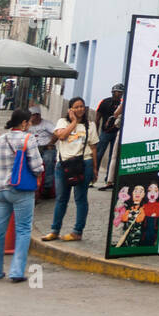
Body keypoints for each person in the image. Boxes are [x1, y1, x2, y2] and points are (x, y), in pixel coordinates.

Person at [0, 109, 43, 283]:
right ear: (24, 123)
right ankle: (16, 272)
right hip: (21, 190)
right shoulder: (28, 139)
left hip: (0, 190)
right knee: (23, 229)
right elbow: (37, 167)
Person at [41, 97, 98, 242]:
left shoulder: (90, 125)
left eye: (82, 106)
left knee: (80, 198)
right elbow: (61, 136)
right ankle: (54, 230)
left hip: (83, 164)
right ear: (70, 109)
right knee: (61, 199)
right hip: (63, 165)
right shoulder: (62, 122)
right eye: (76, 107)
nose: (80, 109)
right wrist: (73, 122)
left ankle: (77, 231)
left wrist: (95, 169)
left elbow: (93, 147)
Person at [94, 83, 125, 189]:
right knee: (98, 155)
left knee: (113, 156)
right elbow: (97, 117)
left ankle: (109, 179)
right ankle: (93, 178)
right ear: (113, 92)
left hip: (117, 132)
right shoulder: (105, 102)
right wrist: (96, 132)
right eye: (117, 92)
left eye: (121, 92)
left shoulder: (123, 103)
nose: (119, 94)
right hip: (105, 133)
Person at [28, 110, 57, 199]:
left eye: (35, 116)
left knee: (48, 160)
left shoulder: (46, 124)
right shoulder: (28, 125)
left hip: (46, 148)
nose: (33, 118)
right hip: (33, 148)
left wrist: (51, 143)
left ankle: (47, 187)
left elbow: (56, 133)